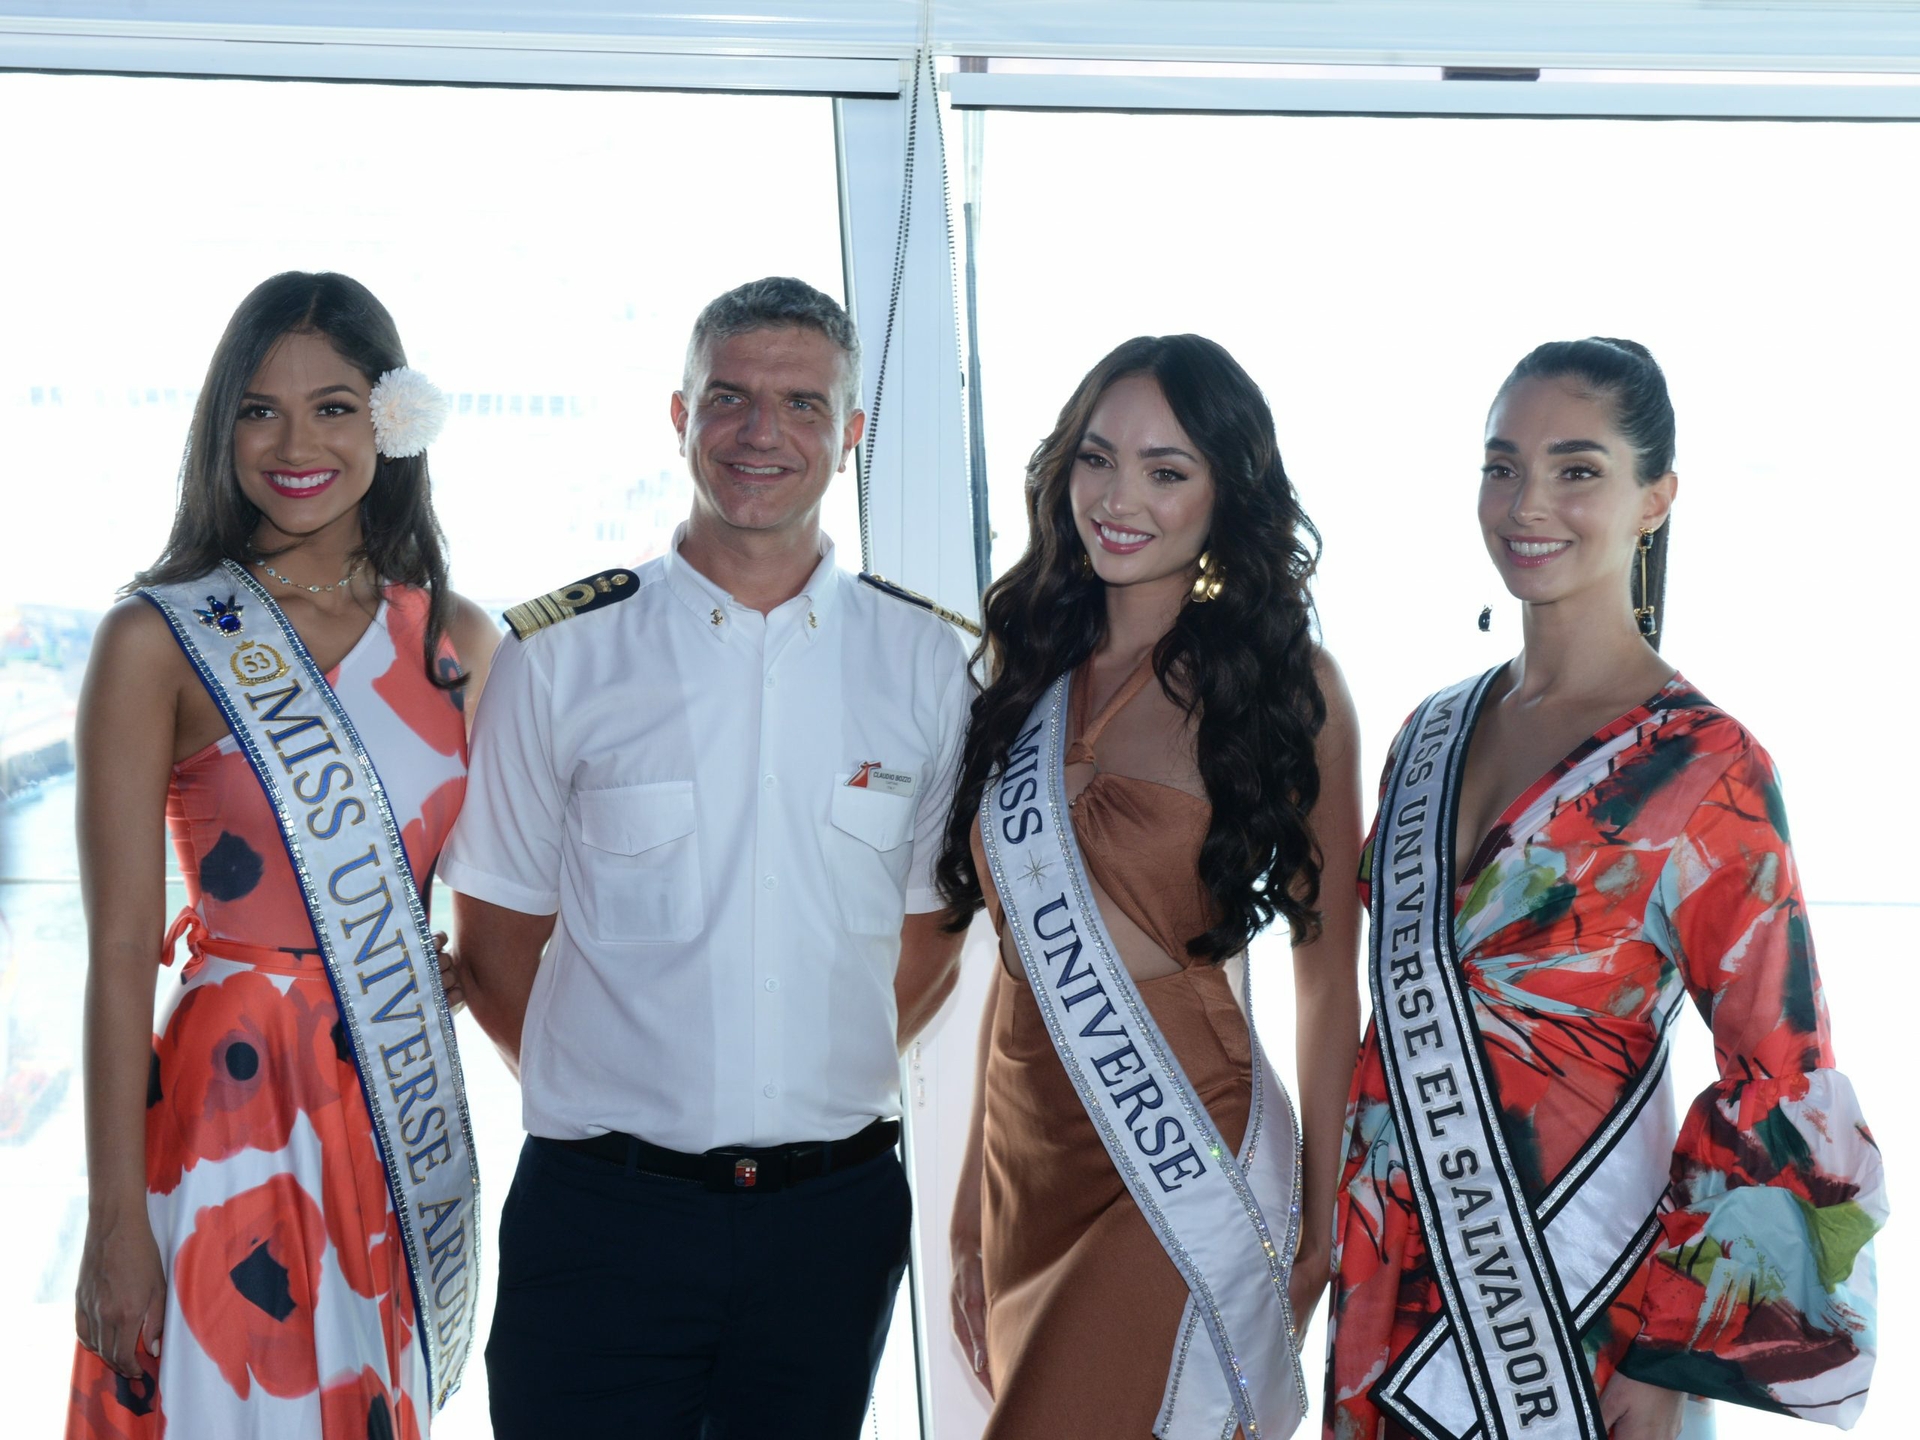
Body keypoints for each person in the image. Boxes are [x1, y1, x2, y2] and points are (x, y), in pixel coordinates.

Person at [436, 275, 973, 1438]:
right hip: (603, 1219)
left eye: (801, 404)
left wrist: (797, 1073)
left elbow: (932, 932)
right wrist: (636, 1096)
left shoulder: (931, 667)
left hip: (829, 1224)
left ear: (851, 434)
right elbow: (496, 941)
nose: (760, 434)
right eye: (727, 398)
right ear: (679, 417)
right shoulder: (561, 656)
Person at [1324, 338, 1886, 1440]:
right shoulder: (1424, 736)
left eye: (1577, 468)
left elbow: (1781, 1074)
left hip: (1586, 1318)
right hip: (1392, 1285)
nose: (1528, 501)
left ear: (1655, 499)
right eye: (1503, 465)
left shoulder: (1706, 767)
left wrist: (1673, 1359)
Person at [67, 271, 499, 1439]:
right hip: (221, 1106)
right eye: (260, 409)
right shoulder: (158, 635)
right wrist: (114, 1220)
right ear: (223, 429)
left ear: (390, 423)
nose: (296, 442)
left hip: (385, 1106)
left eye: (335, 406)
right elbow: (117, 951)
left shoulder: (463, 644)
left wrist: (454, 963)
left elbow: (510, 891)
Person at [937, 335, 1363, 1439]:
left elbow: (1326, 982)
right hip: (1027, 1152)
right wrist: (970, 1221)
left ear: (1227, 492)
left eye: (1167, 471)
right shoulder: (1024, 663)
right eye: (1097, 459)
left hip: (1182, 1140)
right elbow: (1021, 961)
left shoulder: (1287, 685)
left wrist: (1319, 1220)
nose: (1120, 499)